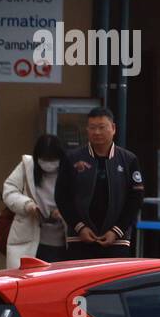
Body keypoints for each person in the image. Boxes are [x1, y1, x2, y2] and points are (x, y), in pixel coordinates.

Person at [55, 108, 144, 259]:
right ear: (87, 130)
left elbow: (135, 198)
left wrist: (117, 230)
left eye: (102, 127)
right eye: (92, 127)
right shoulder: (72, 158)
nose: (96, 132)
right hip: (80, 239)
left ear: (113, 128)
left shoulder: (129, 160)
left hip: (117, 240)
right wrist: (79, 227)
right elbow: (61, 196)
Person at [2, 134, 68, 268]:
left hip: (61, 242)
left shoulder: (69, 168)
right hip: (30, 240)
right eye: (44, 159)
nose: (48, 164)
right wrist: (28, 206)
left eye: (52, 159)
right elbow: (9, 190)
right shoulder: (28, 165)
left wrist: (64, 211)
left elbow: (79, 198)